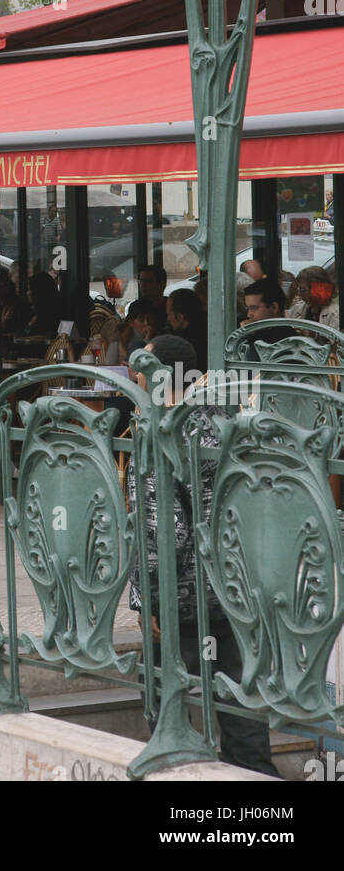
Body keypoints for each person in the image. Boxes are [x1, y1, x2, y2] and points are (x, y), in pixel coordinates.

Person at [127, 333, 278, 777]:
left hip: (182, 597)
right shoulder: (221, 422)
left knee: (161, 692)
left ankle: (178, 770)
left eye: (141, 366)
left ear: (154, 376)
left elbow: (162, 529)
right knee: (235, 693)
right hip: (231, 588)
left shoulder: (161, 430)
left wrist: (149, 596)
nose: (134, 375)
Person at [166, 287, 208, 372]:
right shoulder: (209, 332)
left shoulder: (180, 346)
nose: (168, 319)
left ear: (180, 317)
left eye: (169, 314)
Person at [137, 264, 168, 334]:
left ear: (162, 284)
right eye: (141, 281)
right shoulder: (136, 307)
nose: (143, 285)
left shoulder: (170, 307)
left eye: (148, 281)